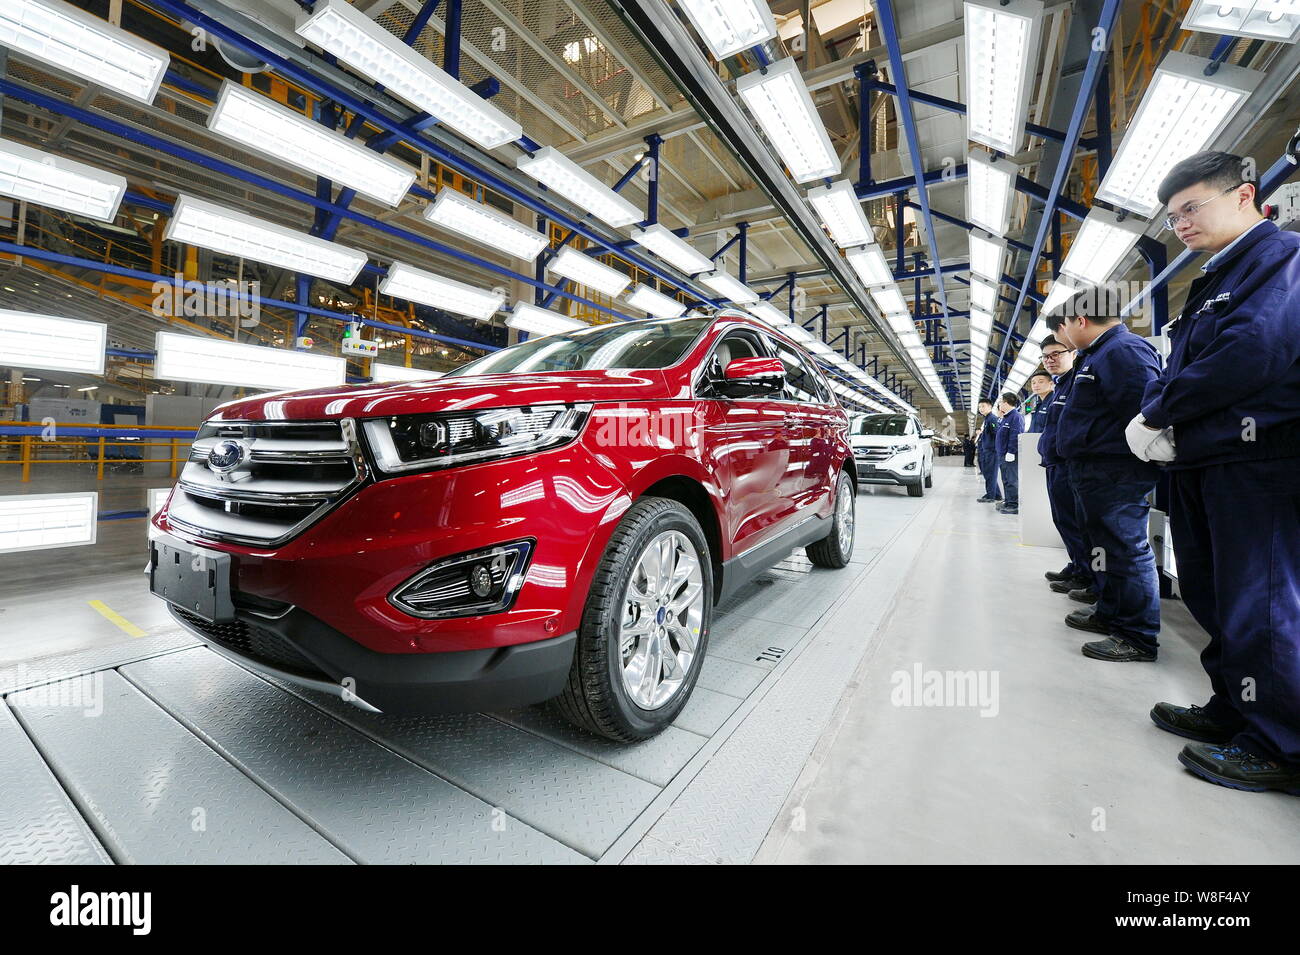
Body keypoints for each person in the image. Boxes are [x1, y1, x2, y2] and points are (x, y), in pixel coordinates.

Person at [1132, 150, 1300, 793]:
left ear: (1244, 196)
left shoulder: (1280, 259)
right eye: (1173, 217)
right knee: (1215, 595)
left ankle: (1282, 743)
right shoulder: (1218, 277)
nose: (1181, 225)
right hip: (1209, 460)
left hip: (1258, 461)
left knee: (1260, 602)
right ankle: (1236, 709)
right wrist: (1169, 420)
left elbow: (1250, 354)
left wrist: (1158, 413)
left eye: (1191, 208)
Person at [1052, 285, 1162, 663]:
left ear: (1081, 320)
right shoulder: (1098, 354)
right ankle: (1111, 614)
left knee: (1125, 551)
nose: (1065, 333)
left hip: (1115, 472)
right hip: (1095, 472)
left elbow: (1145, 414)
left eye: (1066, 325)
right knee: (1105, 549)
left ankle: (1137, 635)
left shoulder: (1123, 351)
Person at [1035, 334, 1092, 598]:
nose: (1050, 360)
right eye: (1046, 356)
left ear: (1073, 353)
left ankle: (1087, 575)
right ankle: (1079, 566)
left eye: (1056, 353)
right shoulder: (1060, 386)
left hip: (1070, 464)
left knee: (1077, 523)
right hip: (1055, 463)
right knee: (1065, 520)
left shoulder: (1076, 384)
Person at [994, 392, 1023, 515]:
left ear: (1005, 403)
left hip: (1010, 455)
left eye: (1000, 402)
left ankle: (1014, 505)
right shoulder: (1006, 417)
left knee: (1012, 480)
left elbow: (1015, 435)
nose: (1000, 404)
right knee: (1005, 479)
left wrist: (1011, 451)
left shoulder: (1016, 416)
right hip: (1002, 454)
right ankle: (1008, 501)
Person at [975, 398, 1002, 503]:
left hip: (992, 451)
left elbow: (997, 434)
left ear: (990, 407)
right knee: (989, 473)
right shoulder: (987, 419)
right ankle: (997, 495)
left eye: (983, 406)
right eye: (979, 407)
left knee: (990, 474)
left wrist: (996, 449)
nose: (981, 409)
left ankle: (990, 496)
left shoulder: (992, 419)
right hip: (988, 451)